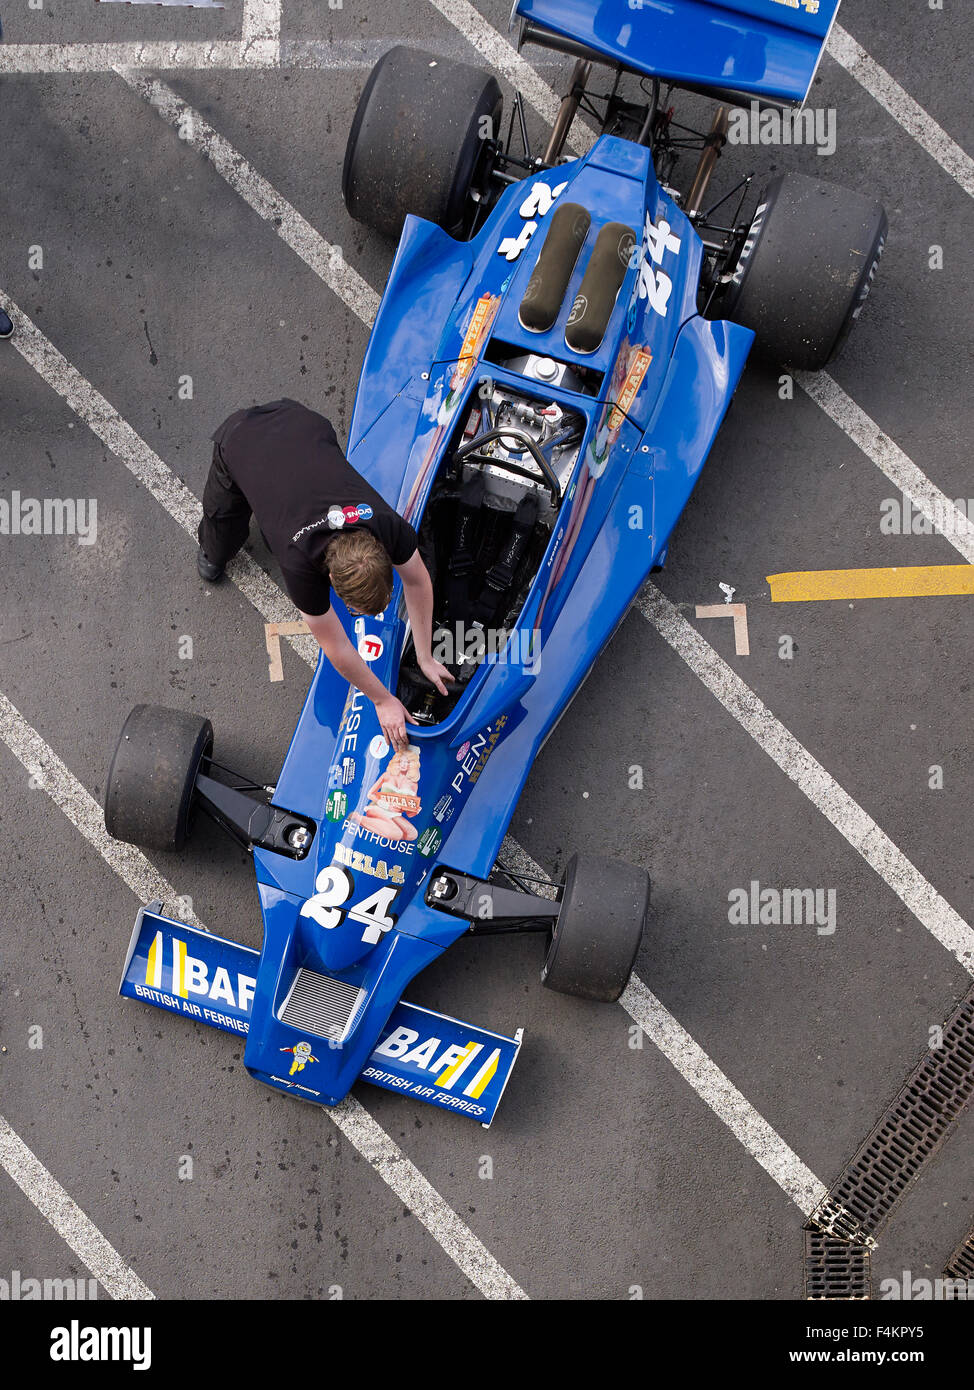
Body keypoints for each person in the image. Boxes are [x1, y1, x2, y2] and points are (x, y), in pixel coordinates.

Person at [197, 399, 451, 750]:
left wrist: (425, 655)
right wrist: (381, 699)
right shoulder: (298, 564)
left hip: (303, 424)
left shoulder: (388, 525)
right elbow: (337, 649)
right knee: (219, 536)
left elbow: (418, 580)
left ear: (380, 547)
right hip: (242, 440)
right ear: (330, 580)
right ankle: (214, 547)